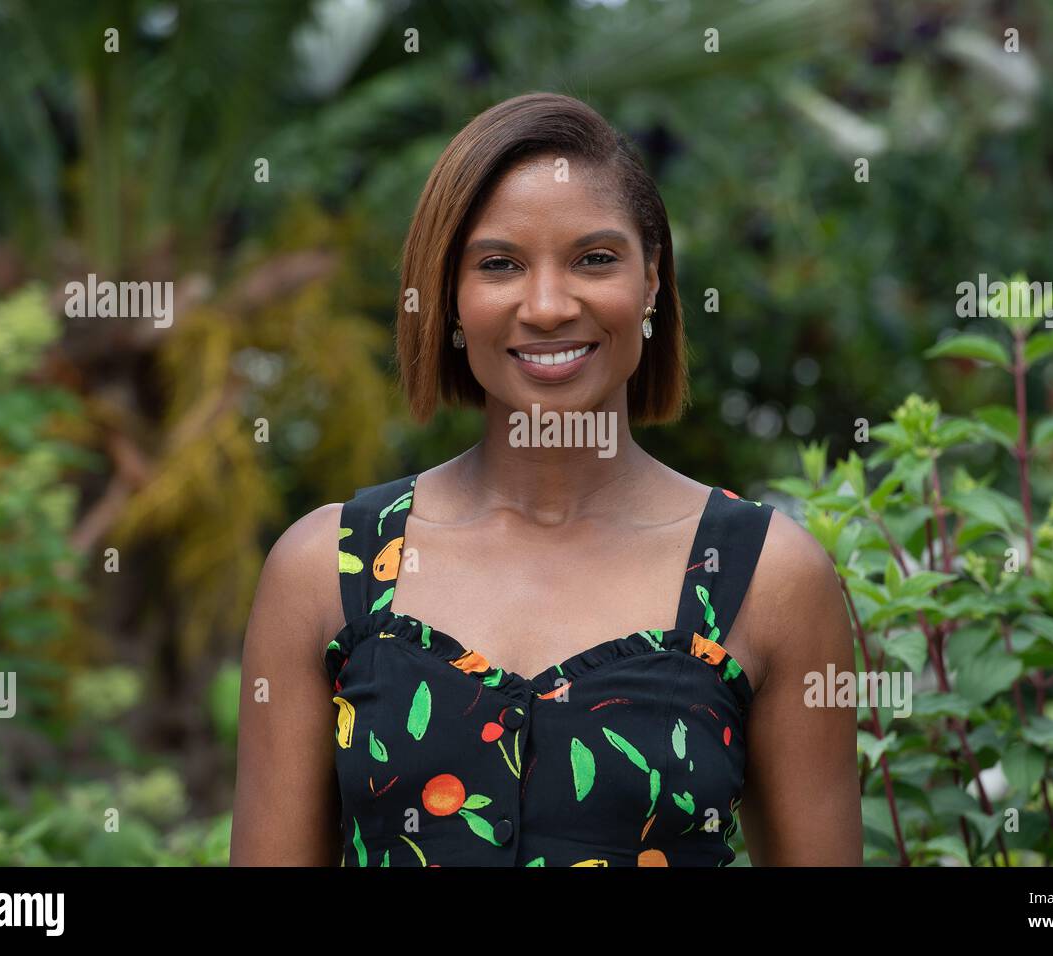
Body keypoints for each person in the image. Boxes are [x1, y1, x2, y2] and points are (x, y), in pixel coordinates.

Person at [230, 91, 861, 866]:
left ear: (653, 280)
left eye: (595, 259)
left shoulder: (769, 577)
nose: (550, 306)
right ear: (451, 301)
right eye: (500, 265)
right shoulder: (329, 571)